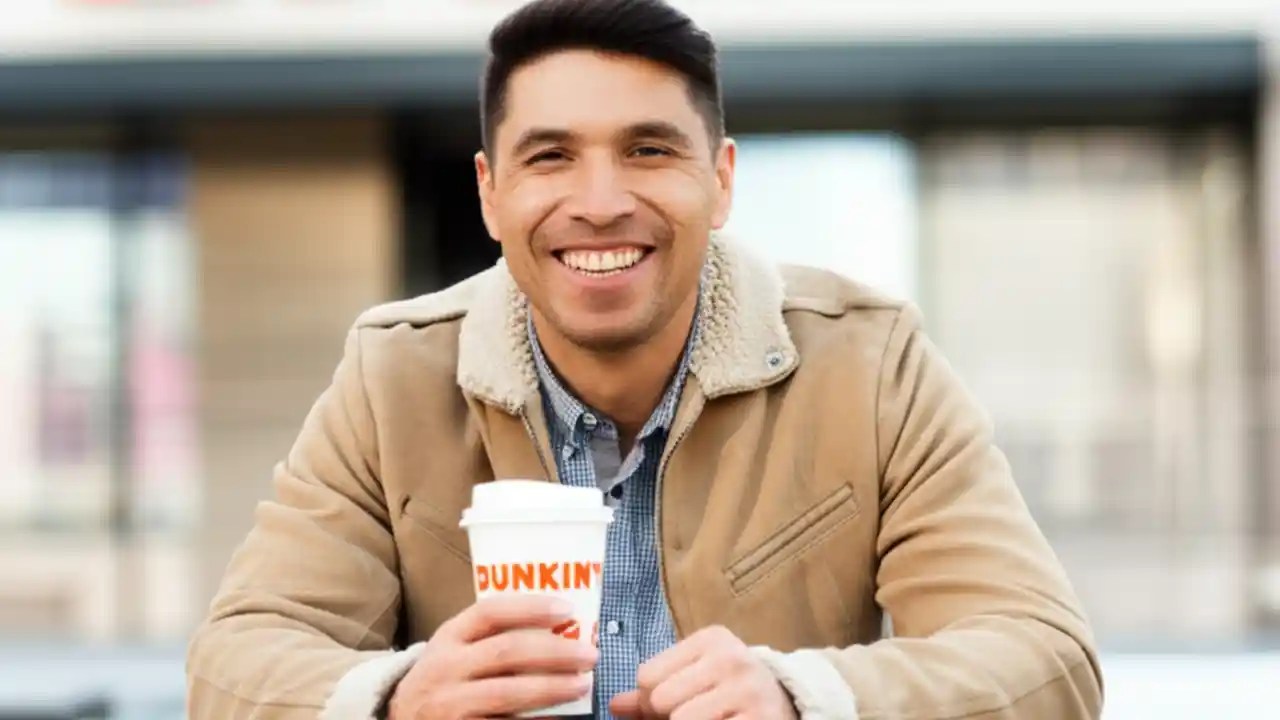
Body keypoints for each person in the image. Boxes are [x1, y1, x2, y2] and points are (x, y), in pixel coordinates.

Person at [186, 0, 1104, 717]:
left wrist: (804, 698)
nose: (599, 202)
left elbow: (1045, 661)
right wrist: (395, 700)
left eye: (649, 150)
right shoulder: (394, 377)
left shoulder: (868, 363)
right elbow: (234, 665)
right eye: (550, 157)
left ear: (722, 179)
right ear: (490, 194)